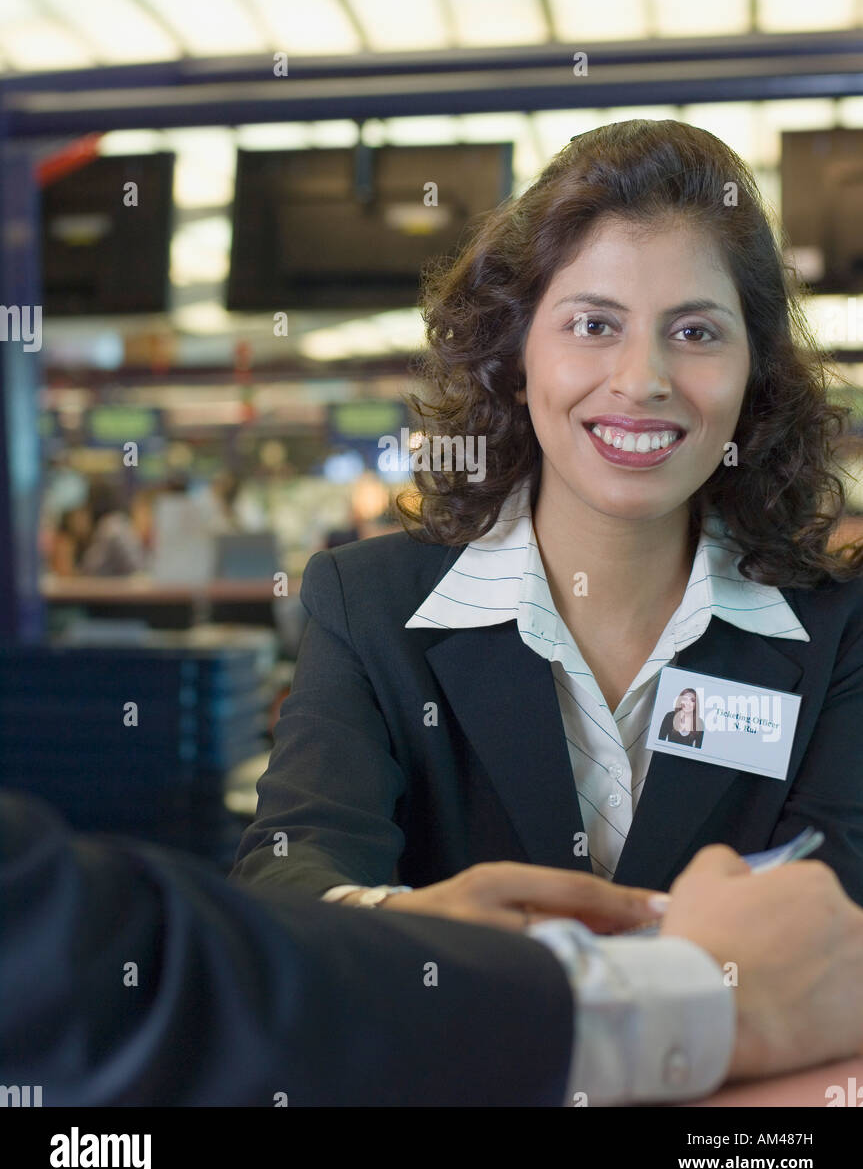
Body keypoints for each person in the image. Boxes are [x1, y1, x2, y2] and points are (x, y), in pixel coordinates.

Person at [231, 119, 863, 923]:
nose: (641, 381)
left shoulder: (837, 628)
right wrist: (426, 932)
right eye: (592, 325)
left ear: (754, 372)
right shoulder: (369, 606)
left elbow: (840, 910)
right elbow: (290, 870)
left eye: (695, 332)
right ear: (515, 356)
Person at [4, 789, 863, 1107]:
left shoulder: (834, 611)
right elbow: (108, 982)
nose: (640, 381)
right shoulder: (373, 589)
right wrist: (687, 992)